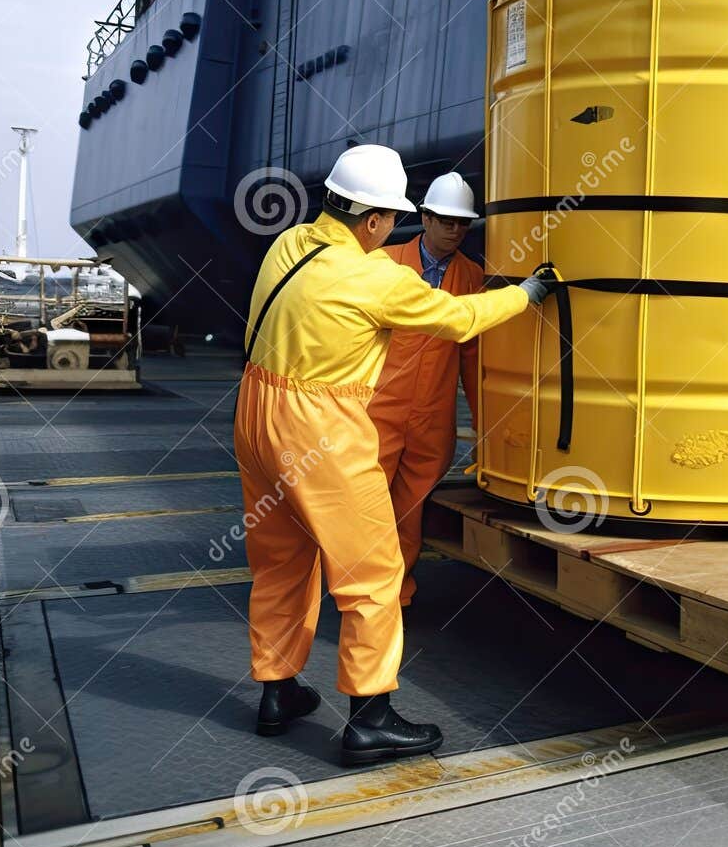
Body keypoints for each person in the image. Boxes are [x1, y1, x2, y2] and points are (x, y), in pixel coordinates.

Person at [235, 144, 556, 765]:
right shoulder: (378, 275)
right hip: (320, 424)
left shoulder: (289, 245)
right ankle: (370, 716)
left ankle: (277, 690)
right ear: (377, 220)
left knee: (281, 557)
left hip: (255, 410)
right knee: (374, 572)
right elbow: (460, 319)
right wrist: (525, 294)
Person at [367, 171, 482, 607]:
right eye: (446, 221)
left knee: (408, 513)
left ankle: (394, 597)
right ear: (426, 218)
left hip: (432, 421)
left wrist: (485, 424)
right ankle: (362, 592)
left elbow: (471, 357)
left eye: (463, 223)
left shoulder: (471, 275)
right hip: (377, 412)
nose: (455, 231)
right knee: (367, 509)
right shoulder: (385, 262)